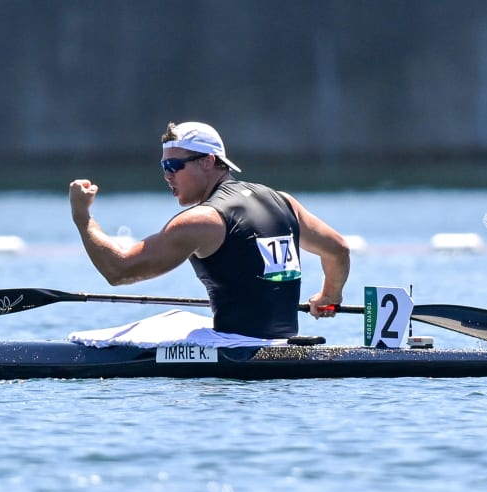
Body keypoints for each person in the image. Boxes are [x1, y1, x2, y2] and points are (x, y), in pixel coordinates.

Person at [68, 121, 350, 339]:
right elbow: (338, 249)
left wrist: (82, 217)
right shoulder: (284, 201)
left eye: (175, 165)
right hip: (286, 344)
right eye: (163, 166)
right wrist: (330, 295)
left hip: (235, 351)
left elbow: (119, 271)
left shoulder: (202, 220)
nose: (167, 175)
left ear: (208, 161)